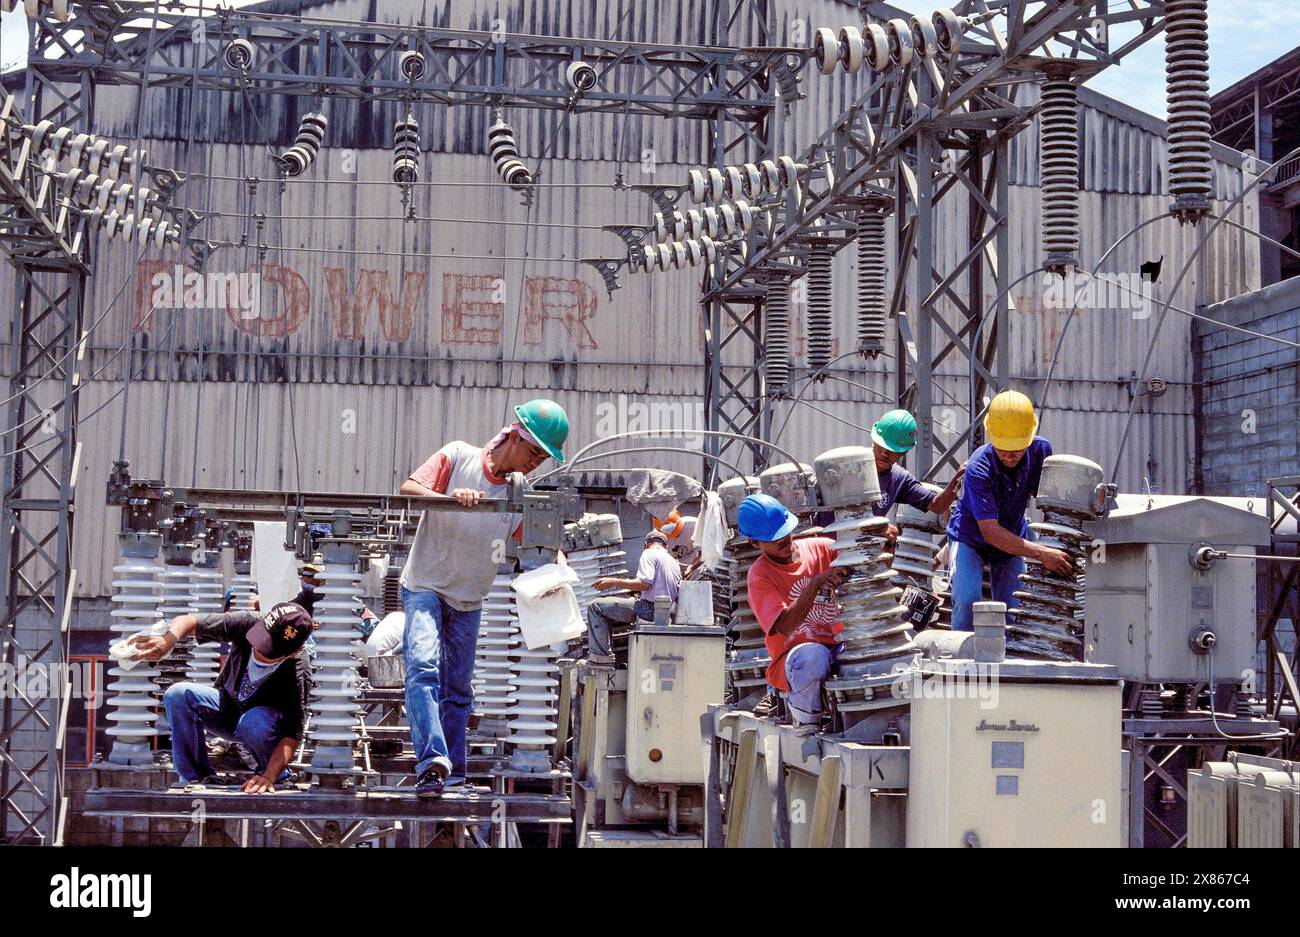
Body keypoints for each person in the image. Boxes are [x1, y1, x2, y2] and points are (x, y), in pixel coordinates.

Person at [398, 399, 569, 797]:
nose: (535, 463)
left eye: (543, 458)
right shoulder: (458, 457)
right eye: (533, 452)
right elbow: (409, 488)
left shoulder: (520, 493)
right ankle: (431, 763)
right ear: (513, 435)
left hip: (468, 600)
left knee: (458, 691)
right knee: (423, 669)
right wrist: (450, 497)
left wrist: (558, 562)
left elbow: (535, 542)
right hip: (424, 584)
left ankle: (453, 773)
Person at [130, 602, 314, 792]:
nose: (258, 650)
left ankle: (272, 774)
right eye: (259, 641)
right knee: (178, 695)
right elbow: (189, 621)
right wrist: (168, 639)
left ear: (293, 653)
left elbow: (292, 736)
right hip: (228, 710)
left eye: (268, 650)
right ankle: (196, 777)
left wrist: (269, 776)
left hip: (261, 727)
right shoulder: (248, 622)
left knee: (254, 721)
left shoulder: (298, 673)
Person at [946, 390, 1073, 632]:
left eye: (1018, 448)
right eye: (1003, 448)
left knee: (1014, 608)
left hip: (1013, 535)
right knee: (967, 601)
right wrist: (1042, 553)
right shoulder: (977, 468)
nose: (1010, 455)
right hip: (971, 538)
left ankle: (1010, 661)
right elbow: (990, 533)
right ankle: (960, 662)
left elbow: (1048, 497)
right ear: (991, 436)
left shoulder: (1041, 451)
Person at [740, 493, 847, 734]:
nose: (784, 540)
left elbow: (858, 566)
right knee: (813, 656)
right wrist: (815, 584)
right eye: (774, 538)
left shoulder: (821, 548)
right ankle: (807, 722)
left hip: (839, 644)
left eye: (785, 532)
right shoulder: (760, 575)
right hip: (796, 658)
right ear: (754, 543)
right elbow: (786, 626)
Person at [584, 530, 682, 667]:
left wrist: (612, 581)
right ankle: (610, 656)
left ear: (645, 544)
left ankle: (600, 658)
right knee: (614, 606)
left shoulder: (649, 553)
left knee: (596, 607)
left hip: (649, 609)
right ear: (665, 546)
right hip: (667, 612)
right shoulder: (673, 561)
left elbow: (644, 584)